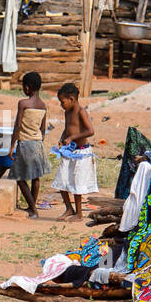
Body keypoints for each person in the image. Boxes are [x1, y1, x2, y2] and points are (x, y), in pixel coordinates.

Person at [51, 81, 97, 221]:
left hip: (81, 153)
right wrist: (62, 138)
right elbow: (67, 128)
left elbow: (90, 131)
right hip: (69, 152)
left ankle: (79, 213)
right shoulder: (67, 112)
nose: (61, 105)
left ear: (71, 99)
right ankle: (69, 209)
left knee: (77, 183)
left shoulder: (81, 112)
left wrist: (72, 137)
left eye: (62, 102)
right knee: (62, 180)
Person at [8, 72, 50, 218]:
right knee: (36, 177)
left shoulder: (23, 104)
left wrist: (12, 145)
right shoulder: (43, 106)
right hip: (38, 144)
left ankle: (32, 208)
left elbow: (17, 126)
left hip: (25, 144)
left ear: (27, 88)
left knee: (19, 177)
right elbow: (43, 129)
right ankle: (32, 206)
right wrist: (39, 141)